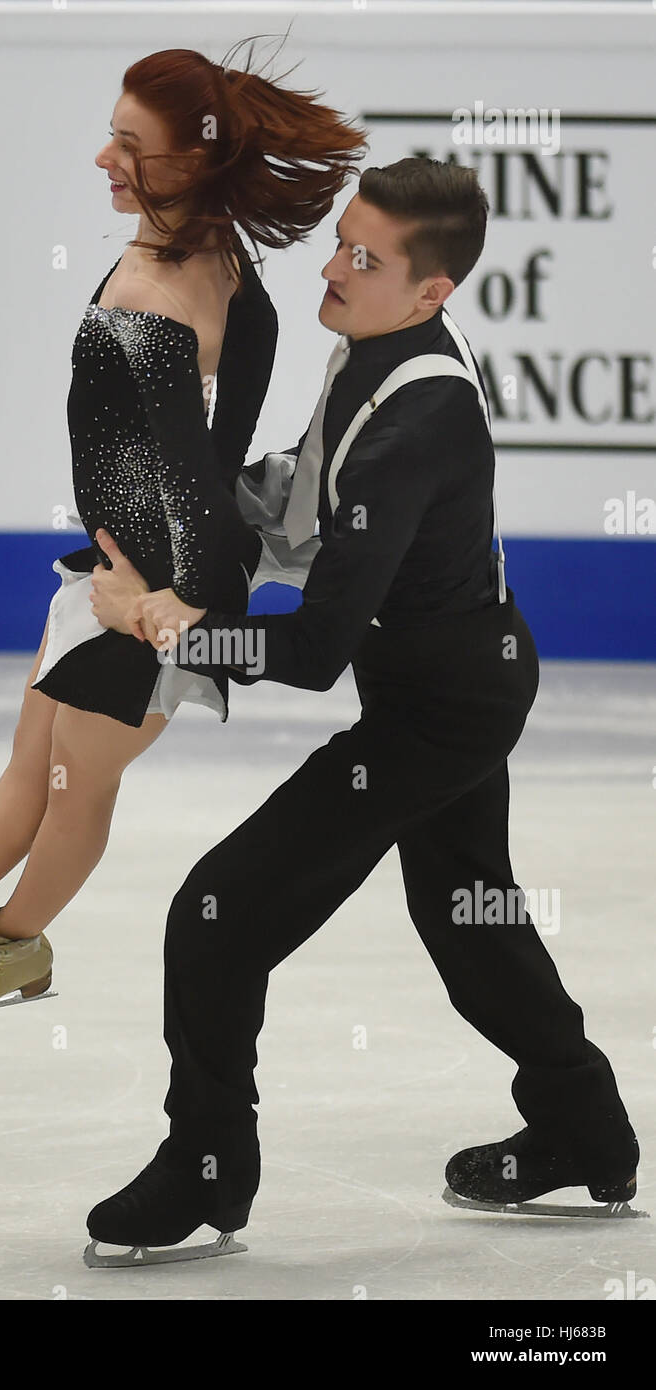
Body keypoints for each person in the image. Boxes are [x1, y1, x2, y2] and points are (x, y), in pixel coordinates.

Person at [84, 157, 638, 1259]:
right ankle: (585, 1129)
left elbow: (315, 649)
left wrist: (160, 619)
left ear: (431, 292)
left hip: (438, 710)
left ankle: (207, 1170)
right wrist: (189, 514)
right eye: (341, 240)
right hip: (460, 674)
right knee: (470, 925)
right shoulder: (377, 350)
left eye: (364, 259)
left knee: (213, 914)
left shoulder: (413, 421)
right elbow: (307, 482)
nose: (332, 269)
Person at [0, 42, 366, 1025]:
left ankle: (9, 945)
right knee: (37, 764)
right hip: (121, 571)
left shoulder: (156, 298)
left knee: (72, 783)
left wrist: (168, 613)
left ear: (189, 161)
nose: (102, 159)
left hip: (154, 584)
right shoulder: (207, 257)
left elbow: (197, 485)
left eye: (127, 144)